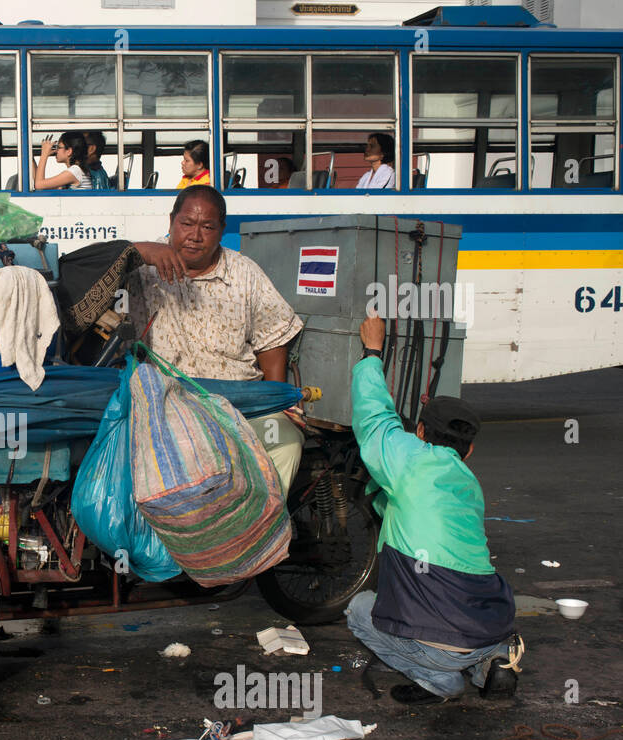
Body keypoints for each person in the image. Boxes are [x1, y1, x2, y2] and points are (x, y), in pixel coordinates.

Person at [344, 311, 519, 704]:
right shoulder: (468, 484)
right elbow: (402, 504)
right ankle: (491, 659)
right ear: (469, 450)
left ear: (420, 432)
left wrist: (373, 350)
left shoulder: (410, 459)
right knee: (454, 611)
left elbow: (374, 418)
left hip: (442, 642)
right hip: (491, 620)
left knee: (359, 610)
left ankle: (438, 680)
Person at [128, 185, 304, 495]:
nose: (195, 235)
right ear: (171, 222)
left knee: (285, 441)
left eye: (207, 227)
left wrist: (275, 401)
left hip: (239, 403)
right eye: (186, 224)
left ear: (221, 230)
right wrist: (137, 251)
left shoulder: (244, 273)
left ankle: (259, 529)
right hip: (169, 405)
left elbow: (273, 337)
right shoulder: (142, 269)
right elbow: (90, 270)